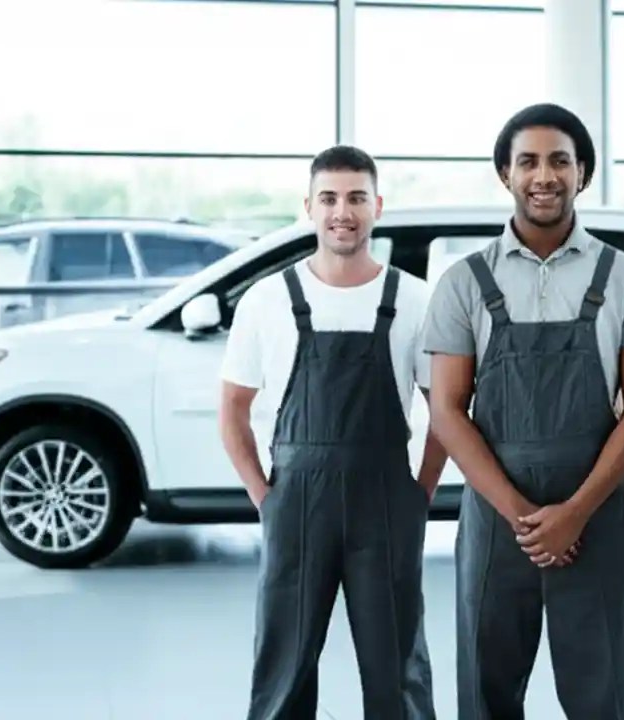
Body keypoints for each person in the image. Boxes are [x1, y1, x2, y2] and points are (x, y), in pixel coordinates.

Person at [423, 102, 624, 720]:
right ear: (504, 173)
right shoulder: (461, 282)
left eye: (560, 160)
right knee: (486, 690)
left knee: (605, 691)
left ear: (582, 172)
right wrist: (526, 517)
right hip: (497, 515)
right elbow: (448, 411)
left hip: (600, 514)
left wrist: (575, 512)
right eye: (528, 161)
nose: (544, 175)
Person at [217, 145, 445, 720]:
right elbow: (233, 411)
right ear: (309, 208)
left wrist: (420, 494)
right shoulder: (267, 300)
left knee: (397, 667)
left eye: (356, 198)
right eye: (330, 199)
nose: (342, 211)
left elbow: (445, 410)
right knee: (283, 665)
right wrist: (266, 500)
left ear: (377, 207)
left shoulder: (414, 299)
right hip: (295, 501)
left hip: (387, 501)